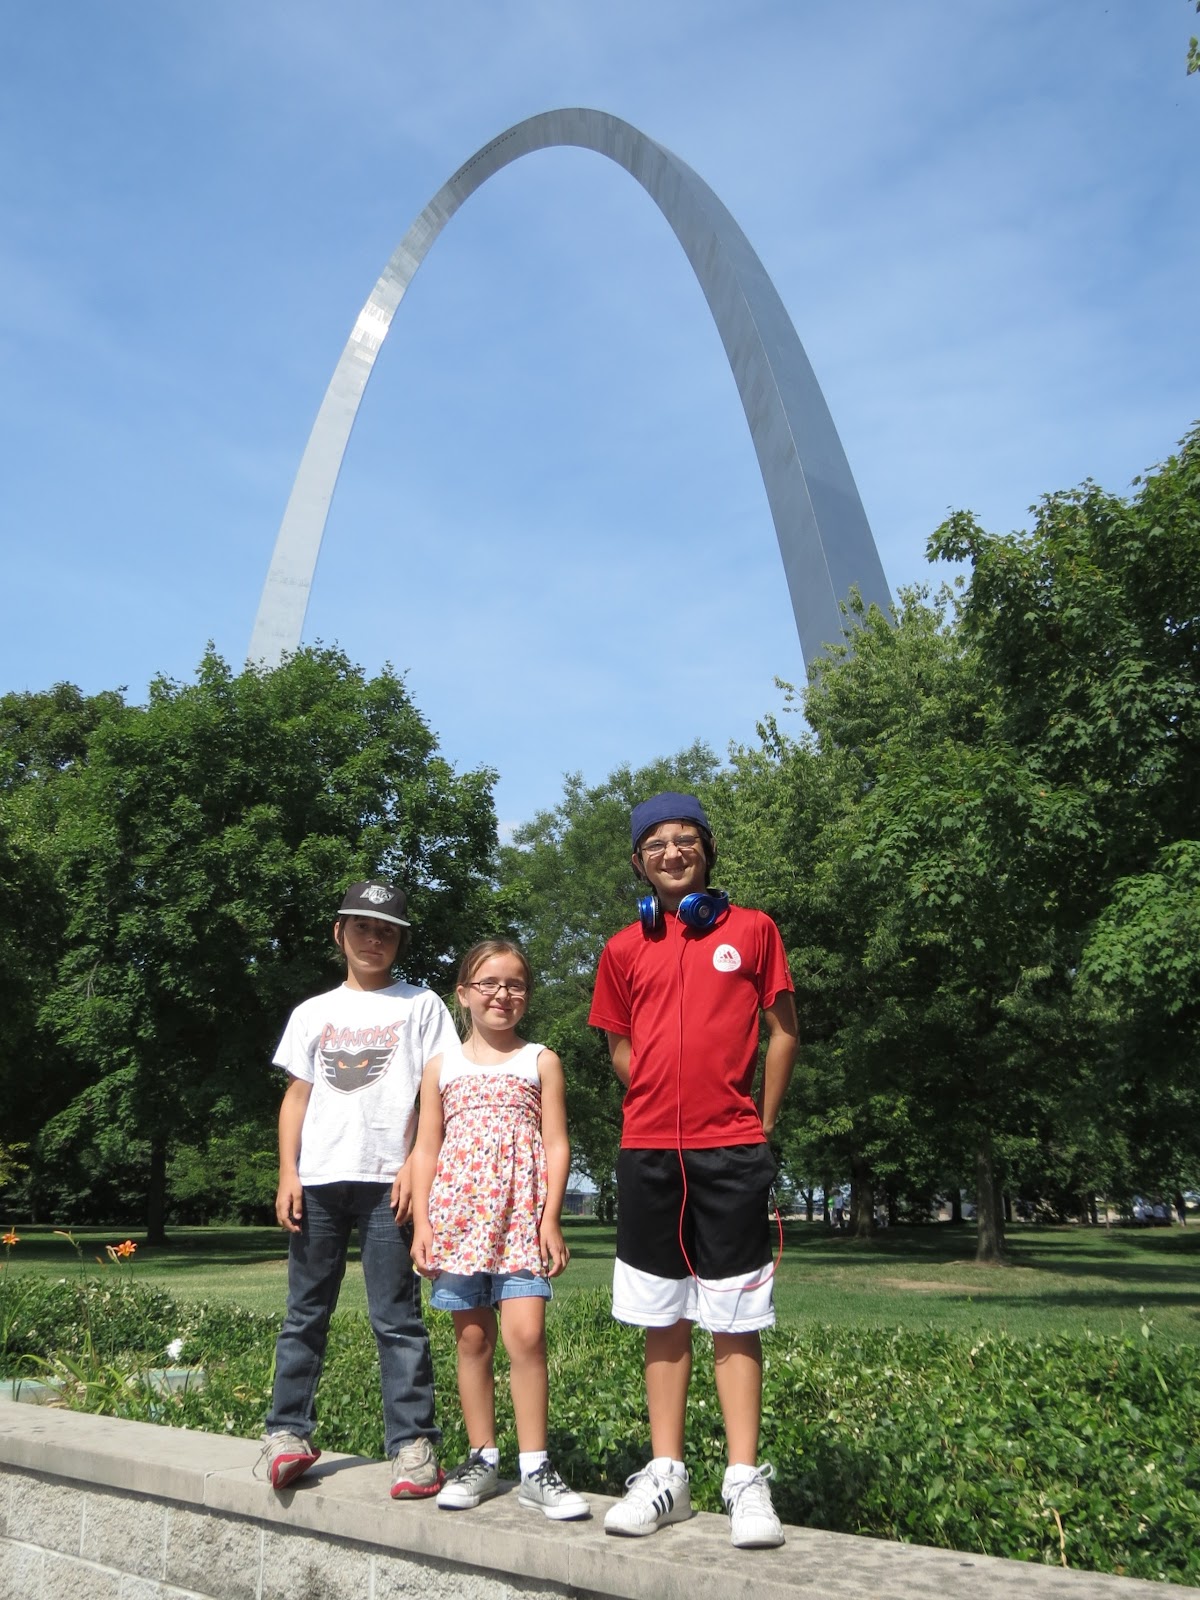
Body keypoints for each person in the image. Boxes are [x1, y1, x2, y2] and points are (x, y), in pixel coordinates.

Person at [589, 793, 798, 1549]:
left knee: (736, 1319)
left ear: (707, 852)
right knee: (661, 1314)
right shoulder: (621, 948)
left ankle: (744, 1478)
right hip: (647, 1154)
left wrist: (761, 1122)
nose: (672, 853)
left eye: (686, 841)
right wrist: (649, 1092)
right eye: (656, 844)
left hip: (730, 1151)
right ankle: (667, 1474)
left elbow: (782, 1033)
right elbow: (616, 1043)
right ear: (639, 860)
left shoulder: (753, 930)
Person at [259, 880, 456, 1499]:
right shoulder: (313, 1011)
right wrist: (288, 1171)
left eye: (388, 931)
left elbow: (436, 1093)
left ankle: (413, 1446)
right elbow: (297, 1095)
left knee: (396, 1318)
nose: (375, 939)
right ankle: (287, 1433)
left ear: (398, 942)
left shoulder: (421, 1004)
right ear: (340, 933)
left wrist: (414, 1165)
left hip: (387, 1184)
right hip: (317, 1179)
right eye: (364, 927)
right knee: (303, 1314)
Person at [409, 939, 590, 1521]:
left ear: (526, 997)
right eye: (488, 983)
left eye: (514, 984)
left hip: (520, 1221)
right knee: (472, 1340)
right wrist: (422, 1222)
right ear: (462, 994)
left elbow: (557, 1142)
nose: (501, 994)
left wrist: (551, 1218)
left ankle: (535, 1466)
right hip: (460, 1224)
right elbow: (426, 1147)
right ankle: (482, 1458)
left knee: (527, 1335)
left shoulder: (541, 1060)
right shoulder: (442, 1066)